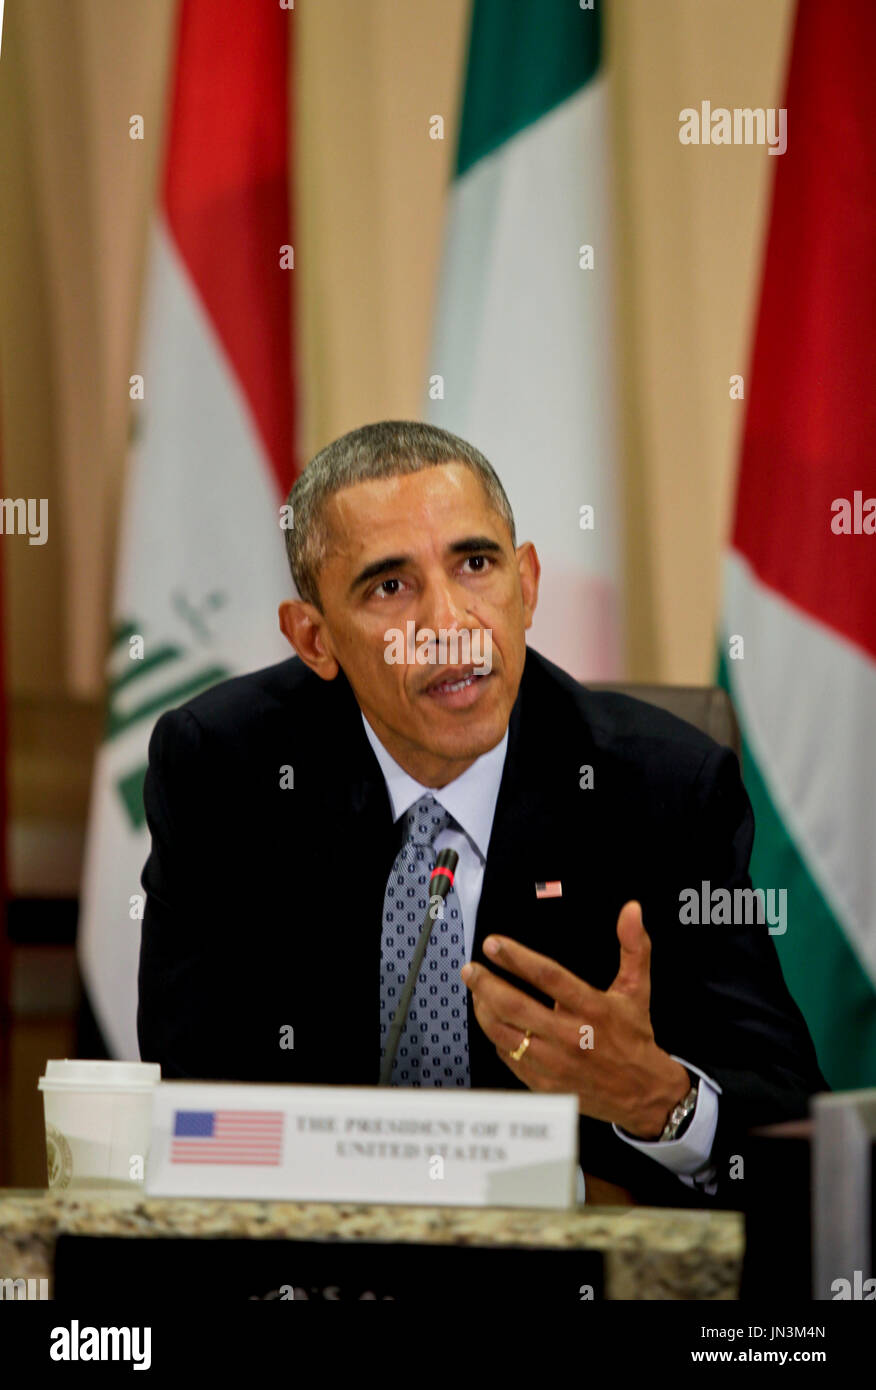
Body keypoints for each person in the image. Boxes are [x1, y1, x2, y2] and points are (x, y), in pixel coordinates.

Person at [137, 420, 827, 1206]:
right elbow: (193, 1102)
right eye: (389, 586)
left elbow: (788, 1113)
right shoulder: (227, 770)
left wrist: (658, 1100)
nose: (449, 625)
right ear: (315, 638)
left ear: (527, 585)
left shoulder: (660, 789)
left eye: (474, 565)